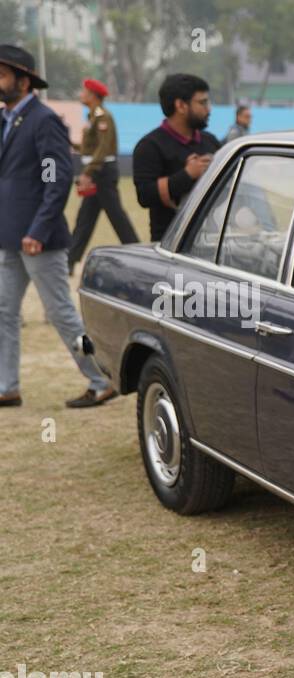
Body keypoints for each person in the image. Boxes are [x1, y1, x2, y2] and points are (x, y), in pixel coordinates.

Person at [0, 45, 116, 408]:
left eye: (2, 75)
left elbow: (56, 178)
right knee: (4, 311)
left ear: (23, 81)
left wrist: (38, 229)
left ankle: (101, 379)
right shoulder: (6, 119)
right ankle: (8, 387)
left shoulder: (43, 120)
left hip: (39, 238)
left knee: (60, 313)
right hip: (10, 236)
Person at [133, 74, 220, 242]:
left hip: (214, 240)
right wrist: (187, 175)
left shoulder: (210, 141)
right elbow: (145, 196)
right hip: (171, 244)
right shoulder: (149, 146)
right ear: (180, 105)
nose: (208, 109)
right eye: (202, 103)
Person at [67, 77, 139, 275]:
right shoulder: (93, 117)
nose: (81, 95)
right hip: (97, 172)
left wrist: (88, 173)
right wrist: (71, 144)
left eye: (84, 92)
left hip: (102, 174)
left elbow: (103, 148)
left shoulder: (102, 117)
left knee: (117, 217)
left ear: (92, 96)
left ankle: (138, 254)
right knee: (85, 219)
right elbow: (90, 149)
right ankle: (70, 260)